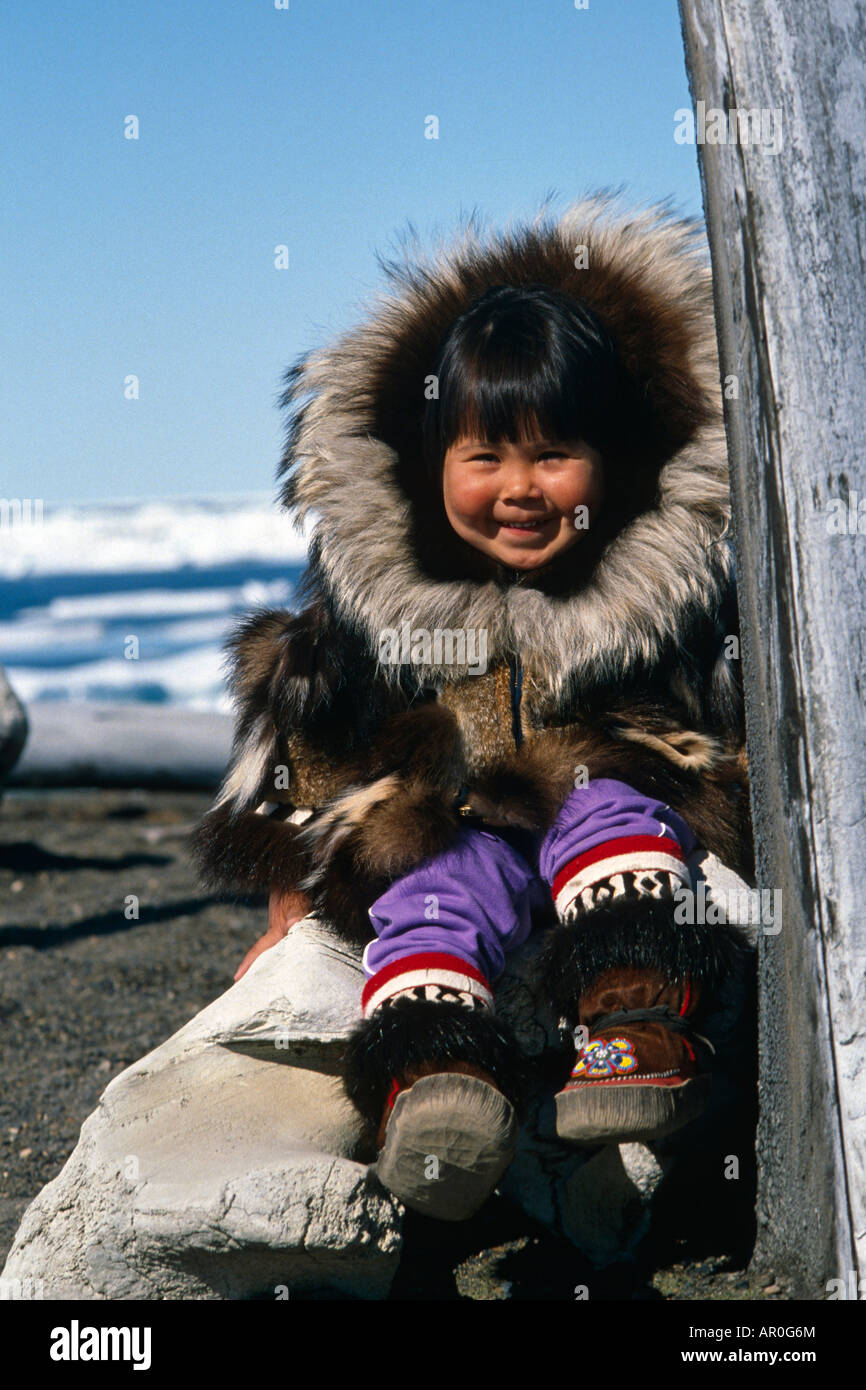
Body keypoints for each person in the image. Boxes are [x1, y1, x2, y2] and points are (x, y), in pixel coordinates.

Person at [191, 195, 753, 1222]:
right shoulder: (386, 591)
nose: (518, 489)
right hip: (462, 825)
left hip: (620, 805)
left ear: (616, 458)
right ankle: (438, 1090)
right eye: (482, 457)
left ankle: (633, 1021)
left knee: (603, 807)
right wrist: (286, 902)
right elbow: (310, 727)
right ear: (429, 460)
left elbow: (740, 707)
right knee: (427, 887)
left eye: (552, 455)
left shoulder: (660, 582)